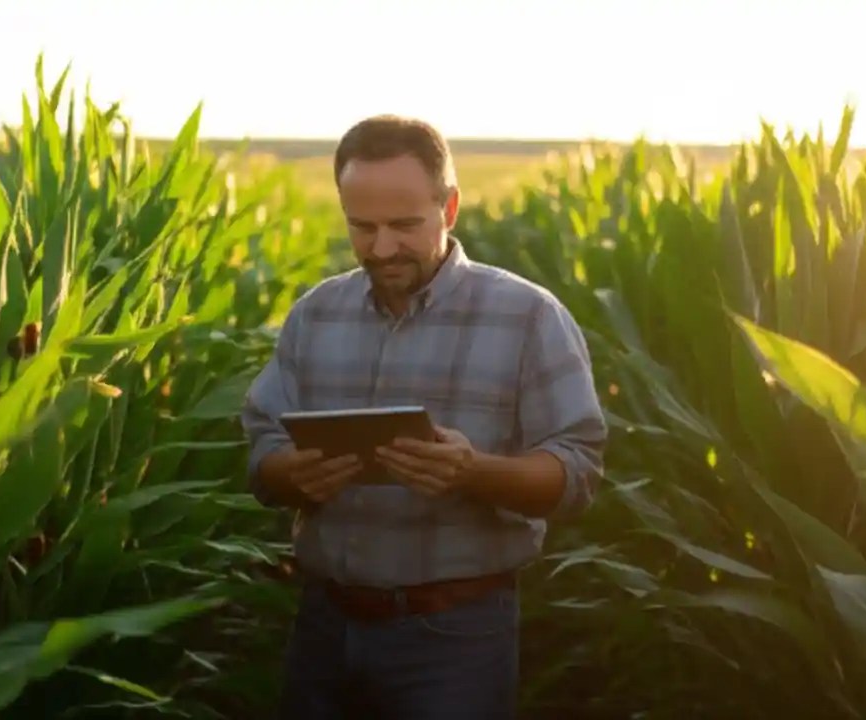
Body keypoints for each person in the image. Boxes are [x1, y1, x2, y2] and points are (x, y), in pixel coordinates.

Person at [240, 114, 607, 720]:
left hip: (456, 637)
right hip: (323, 627)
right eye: (363, 226)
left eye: (405, 225)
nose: (382, 248)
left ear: (450, 207)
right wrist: (290, 474)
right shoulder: (315, 315)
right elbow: (262, 451)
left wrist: (472, 472)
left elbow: (578, 474)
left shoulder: (528, 318)